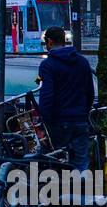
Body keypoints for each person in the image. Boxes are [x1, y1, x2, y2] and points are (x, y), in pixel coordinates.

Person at [36, 26, 95, 170]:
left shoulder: (48, 65)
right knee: (81, 164)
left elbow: (47, 97)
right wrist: (83, 113)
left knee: (56, 162)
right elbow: (89, 92)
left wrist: (45, 121)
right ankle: (81, 190)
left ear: (49, 42)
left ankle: (60, 190)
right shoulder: (82, 62)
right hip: (80, 120)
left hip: (59, 122)